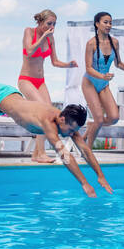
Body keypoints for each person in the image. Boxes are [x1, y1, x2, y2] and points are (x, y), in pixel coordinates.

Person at [0, 32, 112, 197]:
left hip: (9, 98)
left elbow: (85, 150)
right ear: (62, 118)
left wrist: (100, 175)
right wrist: (83, 183)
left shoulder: (67, 122)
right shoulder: (48, 123)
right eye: (70, 129)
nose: (70, 133)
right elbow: (64, 155)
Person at [19, 9, 78, 164]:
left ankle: (37, 154)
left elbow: (55, 61)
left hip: (40, 81)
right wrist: (43, 37)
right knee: (43, 113)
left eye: (54, 24)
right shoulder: (29, 32)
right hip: (26, 80)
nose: (52, 27)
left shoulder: (50, 38)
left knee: (49, 113)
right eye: (49, 23)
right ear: (40, 22)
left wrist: (68, 65)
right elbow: (30, 51)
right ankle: (41, 153)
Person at [82, 10, 124, 149]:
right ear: (97, 24)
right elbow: (88, 68)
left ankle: (91, 125)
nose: (108, 25)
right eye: (105, 22)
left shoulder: (115, 42)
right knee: (99, 118)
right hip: (90, 82)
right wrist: (102, 76)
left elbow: (118, 63)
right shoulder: (91, 44)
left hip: (103, 84)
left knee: (114, 118)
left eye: (110, 22)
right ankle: (88, 149)